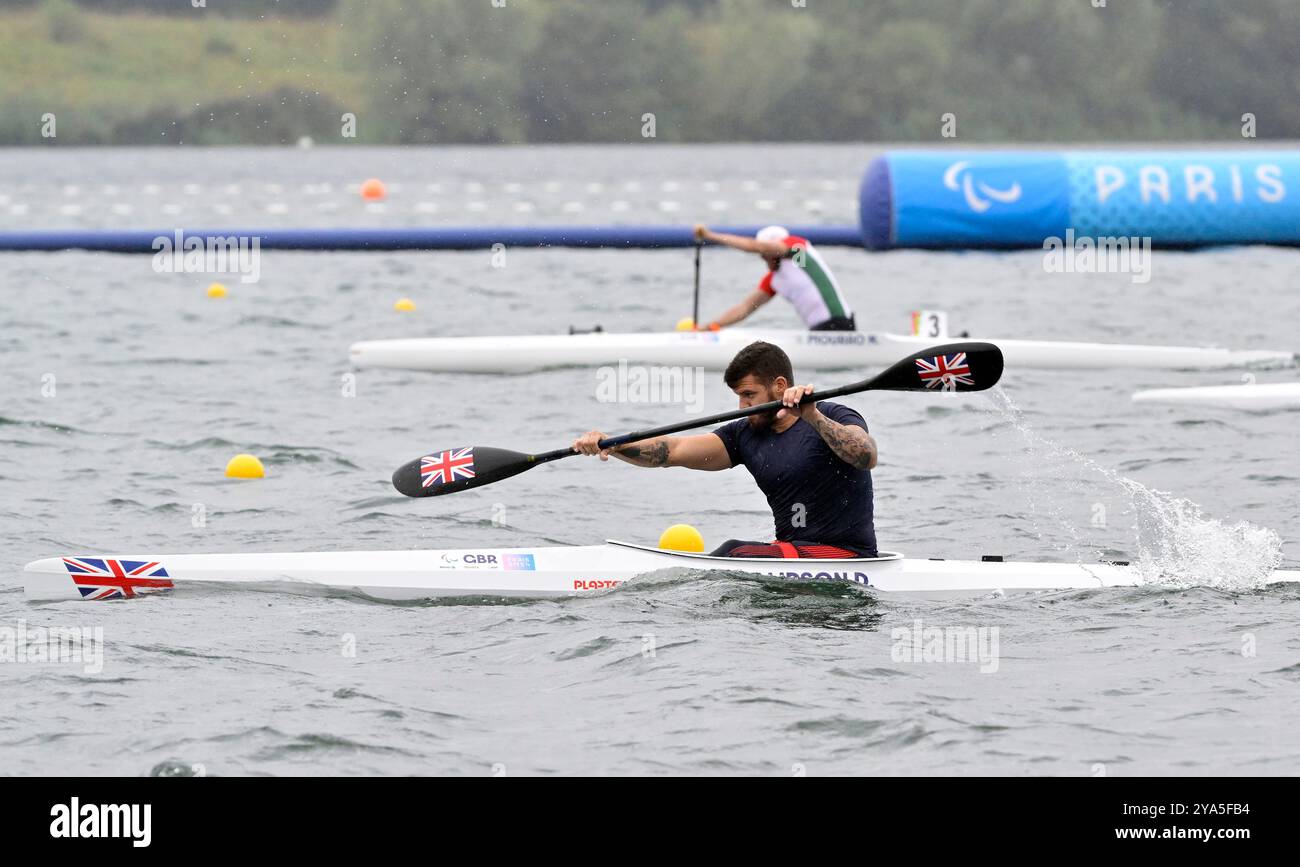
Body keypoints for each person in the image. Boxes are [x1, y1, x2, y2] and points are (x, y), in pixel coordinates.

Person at [571, 340, 878, 558]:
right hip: (790, 554)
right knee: (740, 554)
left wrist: (811, 416)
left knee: (735, 552)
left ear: (780, 386)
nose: (742, 407)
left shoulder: (832, 415)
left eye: (749, 395)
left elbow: (866, 456)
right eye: (738, 396)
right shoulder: (744, 435)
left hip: (847, 554)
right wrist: (612, 444)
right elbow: (670, 451)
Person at [693, 223, 856, 332]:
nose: (762, 258)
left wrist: (710, 235)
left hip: (841, 325)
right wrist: (709, 328)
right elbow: (744, 308)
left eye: (765, 254)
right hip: (819, 333)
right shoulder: (775, 280)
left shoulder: (799, 252)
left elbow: (754, 246)